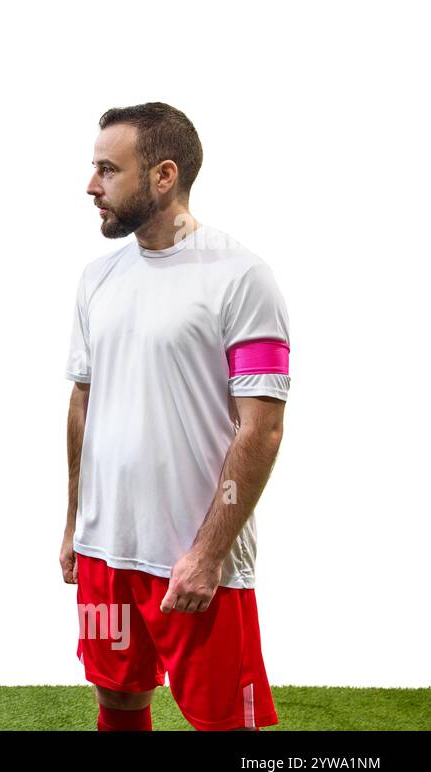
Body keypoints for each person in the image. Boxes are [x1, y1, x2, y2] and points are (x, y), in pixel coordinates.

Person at [62, 102, 290, 731]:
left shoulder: (243, 278)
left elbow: (262, 427)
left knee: (224, 722)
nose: (91, 186)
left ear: (164, 176)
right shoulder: (97, 278)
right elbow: (83, 404)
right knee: (118, 696)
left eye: (109, 170)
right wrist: (74, 524)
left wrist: (210, 552)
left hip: (193, 558)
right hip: (107, 552)